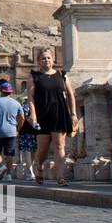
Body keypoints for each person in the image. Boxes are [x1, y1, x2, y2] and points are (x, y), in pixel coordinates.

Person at [27, 47, 78, 186]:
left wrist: (73, 113)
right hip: (43, 114)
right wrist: (34, 115)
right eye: (43, 58)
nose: (46, 60)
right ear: (38, 61)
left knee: (60, 145)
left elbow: (70, 95)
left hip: (59, 113)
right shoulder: (34, 76)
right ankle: (39, 167)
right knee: (42, 149)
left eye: (49, 57)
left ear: (53, 60)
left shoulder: (62, 75)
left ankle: (60, 176)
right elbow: (30, 97)